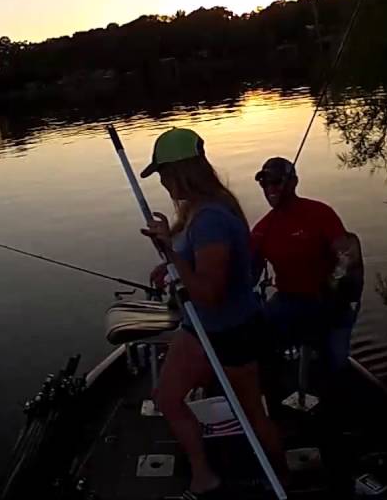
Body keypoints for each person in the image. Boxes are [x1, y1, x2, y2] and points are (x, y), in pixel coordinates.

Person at [138, 127, 285, 497]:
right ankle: (204, 476)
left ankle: (280, 476)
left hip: (231, 330)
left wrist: (171, 256)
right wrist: (168, 252)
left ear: (182, 171)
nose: (165, 185)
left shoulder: (212, 219)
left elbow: (208, 292)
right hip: (198, 328)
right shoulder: (196, 209)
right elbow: (190, 258)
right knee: (167, 398)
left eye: (165, 175)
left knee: (251, 412)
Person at [250, 157, 360, 371]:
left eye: (276, 182)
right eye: (265, 183)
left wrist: (336, 279)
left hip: (330, 299)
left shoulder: (320, 213)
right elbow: (249, 273)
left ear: (293, 182)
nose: (270, 188)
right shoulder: (261, 229)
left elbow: (347, 252)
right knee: (257, 338)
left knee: (335, 362)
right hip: (288, 300)